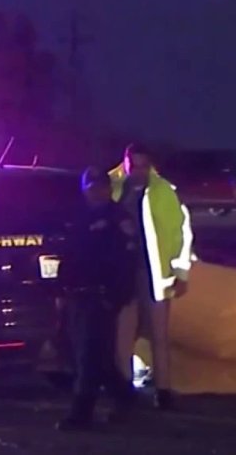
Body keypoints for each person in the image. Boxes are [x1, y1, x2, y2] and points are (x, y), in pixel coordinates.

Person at [109, 143, 195, 410]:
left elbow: (182, 233)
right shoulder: (112, 187)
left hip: (154, 276)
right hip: (122, 276)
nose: (139, 171)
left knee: (159, 335)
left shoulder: (163, 191)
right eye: (134, 165)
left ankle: (163, 390)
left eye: (144, 166)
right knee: (123, 336)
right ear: (125, 163)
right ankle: (123, 392)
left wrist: (181, 272)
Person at [55, 167, 137, 431]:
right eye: (91, 188)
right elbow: (69, 256)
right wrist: (62, 289)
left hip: (101, 295)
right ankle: (124, 397)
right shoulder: (79, 216)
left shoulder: (116, 218)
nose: (96, 192)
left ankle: (82, 411)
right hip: (78, 294)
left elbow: (126, 261)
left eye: (100, 187)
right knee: (90, 354)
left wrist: (114, 297)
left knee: (89, 356)